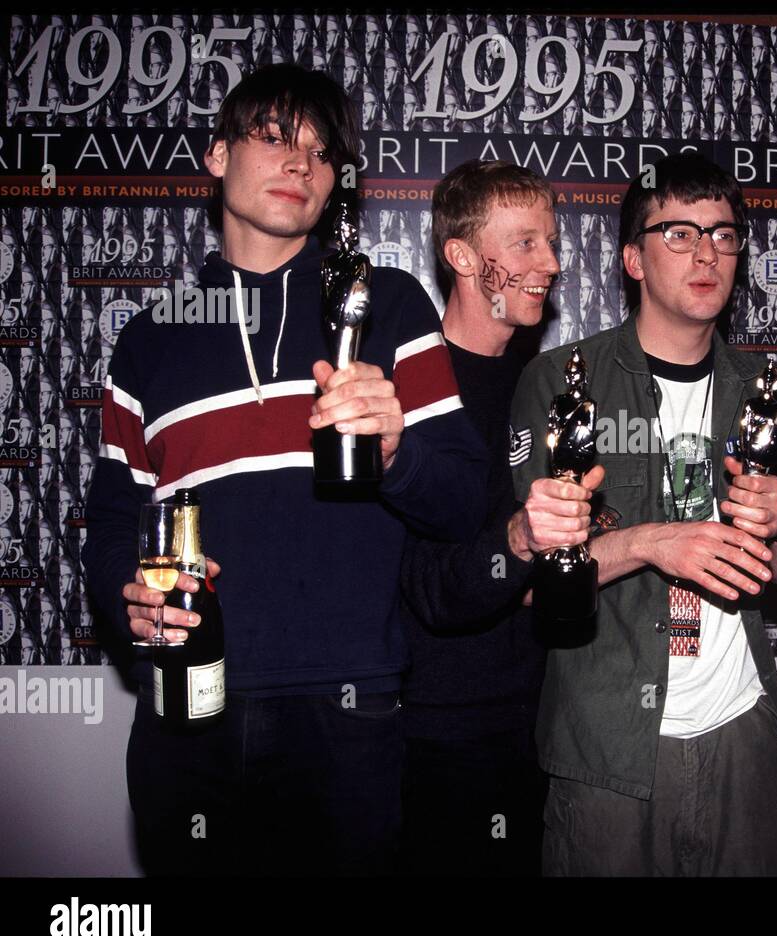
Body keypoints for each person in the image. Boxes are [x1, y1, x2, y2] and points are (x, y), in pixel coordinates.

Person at [83, 63, 488, 877]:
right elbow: (112, 529)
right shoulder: (150, 338)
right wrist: (126, 607)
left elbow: (466, 501)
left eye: (320, 149)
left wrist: (398, 447)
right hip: (186, 711)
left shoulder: (389, 305)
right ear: (216, 154)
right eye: (273, 137)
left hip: (349, 709)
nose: (300, 162)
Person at [510, 152, 777, 876]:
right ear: (632, 259)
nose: (707, 251)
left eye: (722, 234)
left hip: (741, 735)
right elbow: (530, 582)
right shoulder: (561, 384)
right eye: (678, 233)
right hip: (607, 746)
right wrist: (653, 543)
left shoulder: (765, 389)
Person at [400, 160, 597, 876]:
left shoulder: (549, 389)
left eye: (550, 242)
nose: (550, 262)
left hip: (546, 723)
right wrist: (518, 541)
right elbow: (426, 586)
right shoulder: (412, 392)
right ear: (460, 255)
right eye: (523, 244)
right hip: (441, 734)